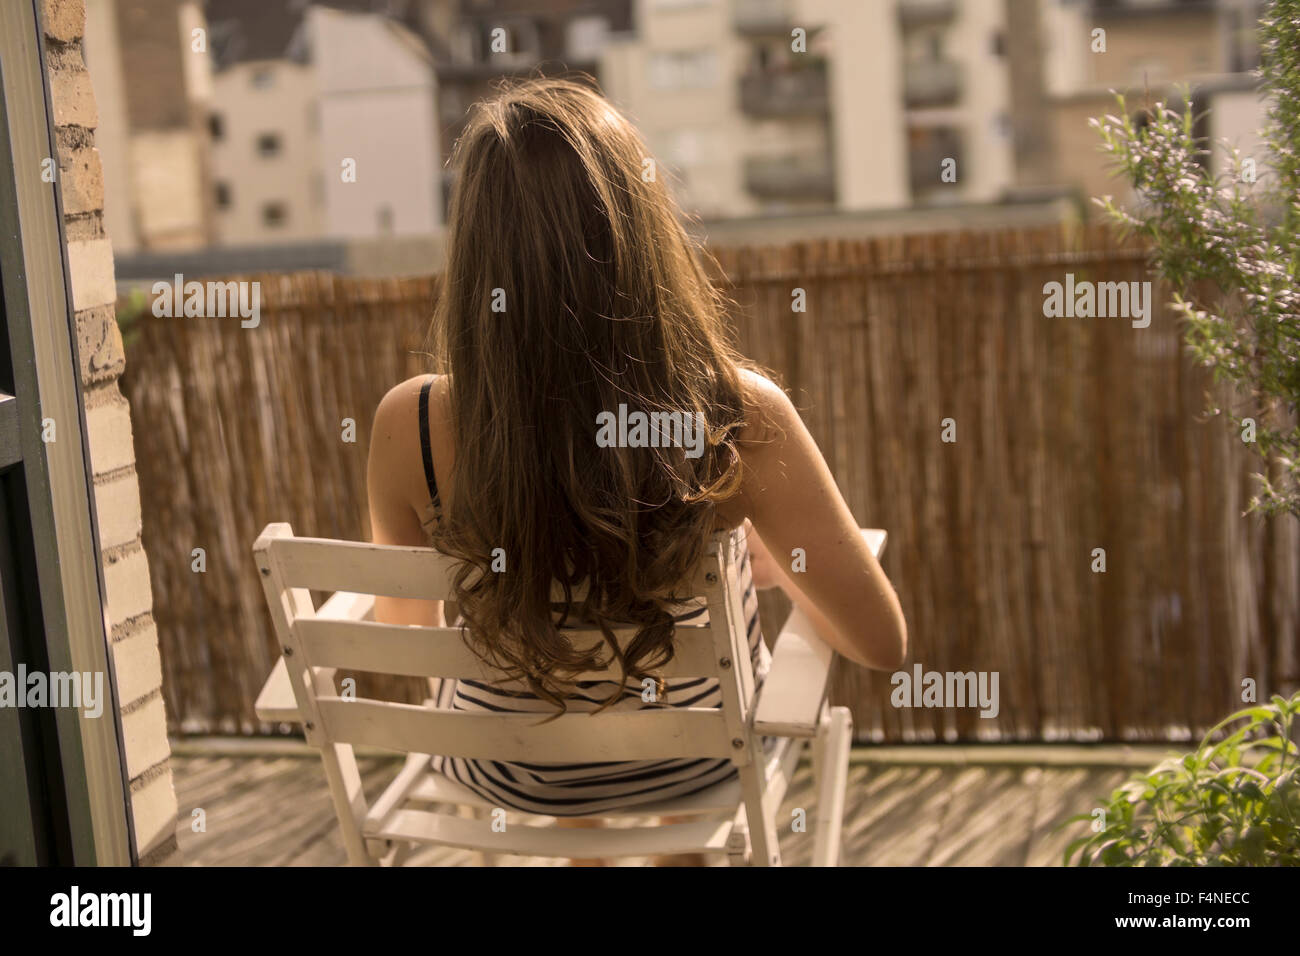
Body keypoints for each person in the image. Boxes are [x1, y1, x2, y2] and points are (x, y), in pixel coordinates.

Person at [365, 76, 907, 865]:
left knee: (562, 685)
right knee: (662, 713)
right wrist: (780, 566)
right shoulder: (736, 415)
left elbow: (404, 633)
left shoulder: (407, 423)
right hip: (694, 764)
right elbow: (881, 643)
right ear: (642, 231)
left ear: (476, 247)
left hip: (508, 768)